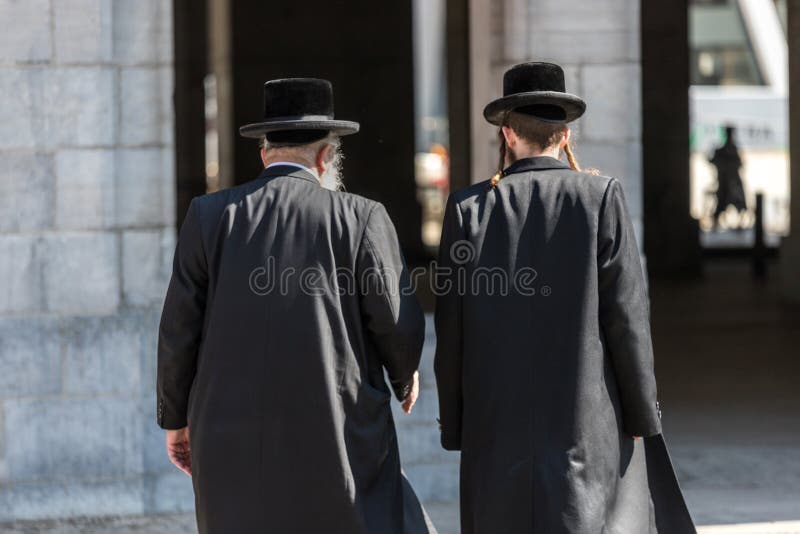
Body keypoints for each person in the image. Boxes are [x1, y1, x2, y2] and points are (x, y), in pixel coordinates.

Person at [157, 78, 435, 533]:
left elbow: (178, 329)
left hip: (229, 430)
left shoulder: (208, 217)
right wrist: (405, 376)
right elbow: (396, 320)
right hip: (336, 425)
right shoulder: (361, 216)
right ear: (326, 156)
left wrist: (176, 419)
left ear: (264, 151)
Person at [433, 62, 696, 533]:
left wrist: (455, 424)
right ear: (566, 134)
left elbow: (452, 329)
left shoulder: (467, 209)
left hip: (495, 424)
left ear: (508, 133)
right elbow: (627, 319)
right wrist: (641, 414)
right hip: (586, 420)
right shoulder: (599, 198)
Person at [710, 125, 747, 228]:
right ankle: (717, 221)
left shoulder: (732, 150)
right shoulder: (723, 150)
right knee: (723, 201)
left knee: (739, 201)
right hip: (725, 184)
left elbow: (740, 164)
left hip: (733, 184)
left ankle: (740, 222)